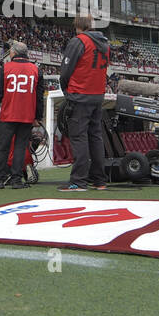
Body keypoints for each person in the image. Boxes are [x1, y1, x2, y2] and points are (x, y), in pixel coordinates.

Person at [58, 12, 110, 193]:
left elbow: (65, 71)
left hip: (80, 95)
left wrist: (67, 91)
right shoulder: (105, 43)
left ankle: (79, 181)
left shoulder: (78, 41)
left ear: (78, 26)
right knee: (95, 137)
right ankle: (99, 180)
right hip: (97, 95)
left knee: (79, 137)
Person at [0, 42, 45, 189]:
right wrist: (38, 117)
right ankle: (16, 180)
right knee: (21, 147)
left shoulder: (6, 68)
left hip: (8, 114)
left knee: (3, 147)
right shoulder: (36, 70)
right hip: (27, 115)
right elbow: (39, 96)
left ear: (13, 53)